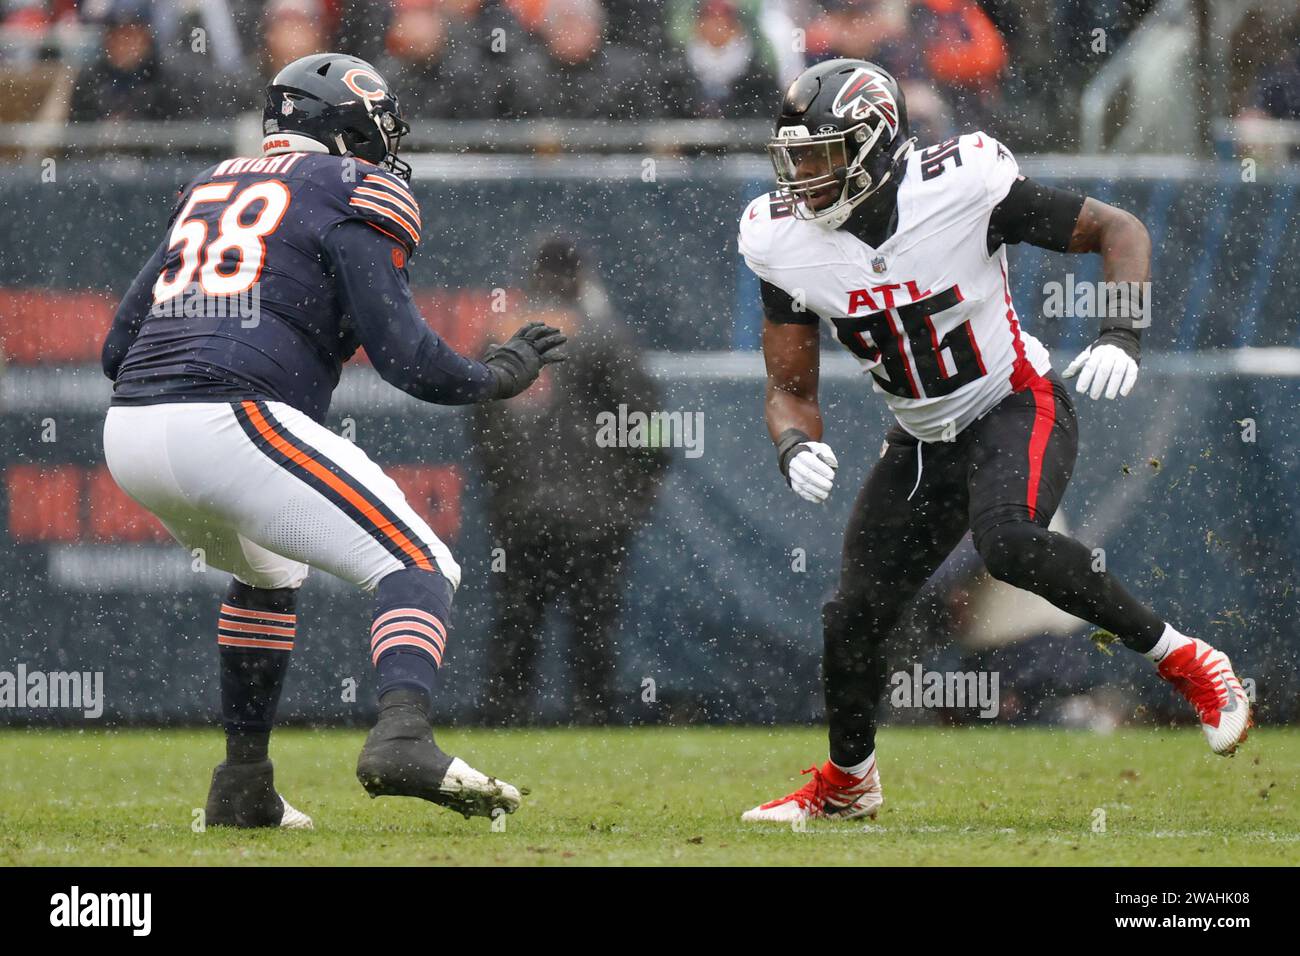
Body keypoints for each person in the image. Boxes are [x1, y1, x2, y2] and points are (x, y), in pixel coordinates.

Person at [737, 59, 1252, 824]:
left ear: (877, 146)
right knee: (852, 615)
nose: (805, 179)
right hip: (918, 440)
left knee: (1007, 540)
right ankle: (850, 784)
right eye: (796, 160)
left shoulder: (959, 185)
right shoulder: (780, 240)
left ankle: (1186, 659)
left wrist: (1120, 332)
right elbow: (792, 391)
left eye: (823, 156)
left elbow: (1120, 229)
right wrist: (792, 444)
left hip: (1015, 402)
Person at [99, 53, 565, 828]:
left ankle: (243, 783)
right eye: (374, 135)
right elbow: (409, 358)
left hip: (134, 431)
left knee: (267, 572)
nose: (384, 154)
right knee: (419, 563)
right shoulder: (352, 189)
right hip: (230, 416)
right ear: (347, 131)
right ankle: (403, 734)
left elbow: (118, 348)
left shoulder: (215, 185)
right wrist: (497, 376)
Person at [473, 237, 668, 725]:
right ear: (581, 276)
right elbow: (648, 421)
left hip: (520, 511)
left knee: (517, 624)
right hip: (595, 512)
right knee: (592, 626)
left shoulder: (498, 337)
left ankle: (505, 721)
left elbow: (478, 429)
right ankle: (592, 717)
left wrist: (503, 491)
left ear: (531, 276)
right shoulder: (605, 334)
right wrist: (643, 486)